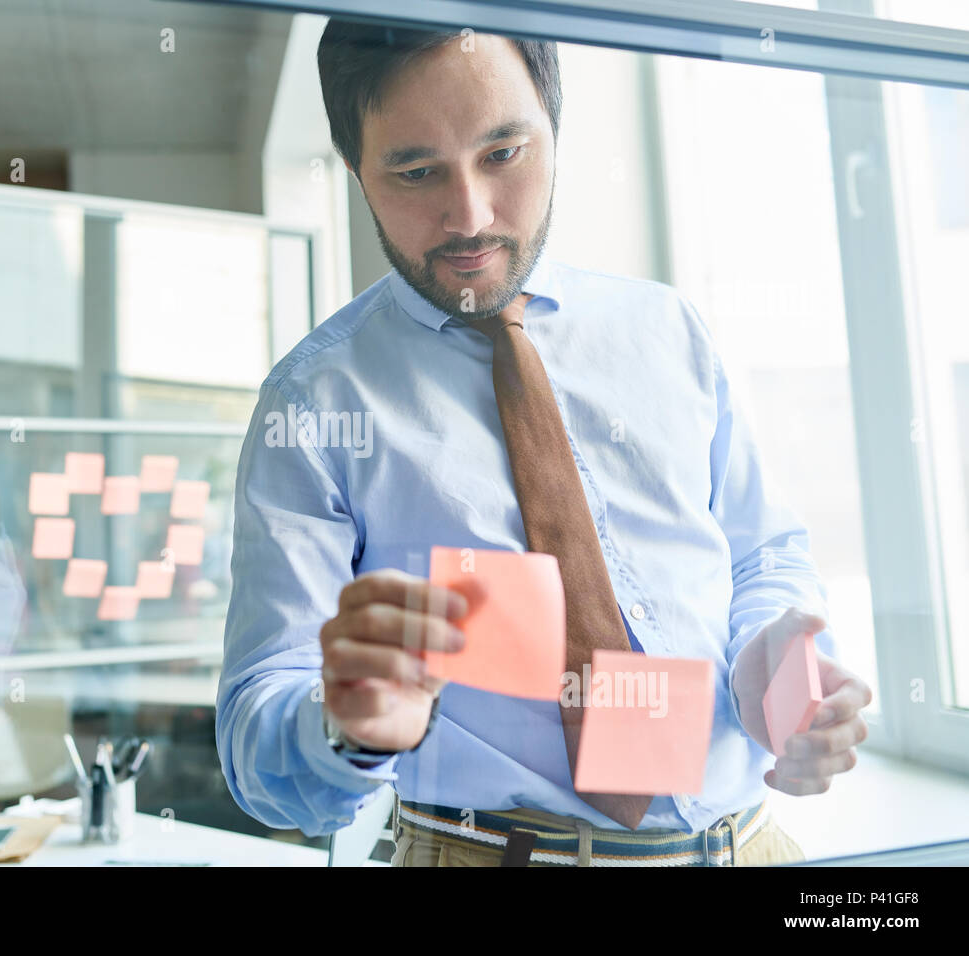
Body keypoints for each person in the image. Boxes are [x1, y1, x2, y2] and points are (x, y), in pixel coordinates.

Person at [215, 20, 872, 867]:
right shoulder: (314, 403)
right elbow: (256, 740)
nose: (471, 217)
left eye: (504, 153)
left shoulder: (666, 331)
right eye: (416, 172)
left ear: (554, 127)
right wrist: (341, 728)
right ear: (354, 172)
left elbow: (761, 556)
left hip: (752, 846)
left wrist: (774, 678)